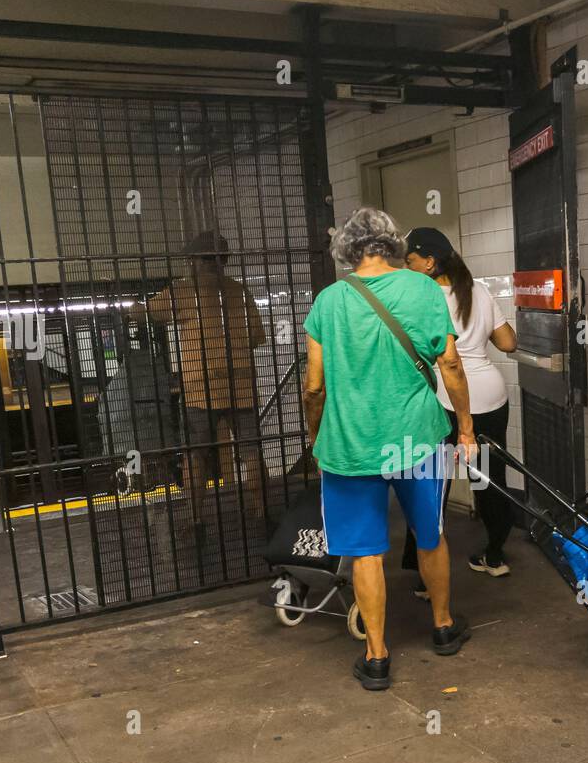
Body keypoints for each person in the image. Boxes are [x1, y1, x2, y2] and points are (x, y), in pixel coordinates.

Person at [302, 208, 478, 690]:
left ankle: (376, 656)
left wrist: (316, 434)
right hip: (417, 438)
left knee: (365, 553)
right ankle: (442, 628)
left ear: (348, 250)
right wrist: (465, 428)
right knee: (430, 535)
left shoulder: (328, 302)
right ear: (392, 244)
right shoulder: (423, 289)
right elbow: (451, 366)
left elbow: (314, 387)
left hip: (350, 444)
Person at [400, 227, 518, 590]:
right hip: (491, 395)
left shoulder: (421, 297)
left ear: (430, 262)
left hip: (445, 399)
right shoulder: (478, 291)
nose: (405, 267)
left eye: (410, 260)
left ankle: (423, 576)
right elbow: (509, 343)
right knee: (488, 477)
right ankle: (494, 555)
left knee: (428, 483)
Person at [146, 230, 268, 530]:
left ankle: (196, 516)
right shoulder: (240, 291)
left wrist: (127, 309)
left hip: (201, 389)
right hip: (242, 384)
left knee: (196, 454)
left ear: (197, 261)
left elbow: (148, 313)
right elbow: (256, 336)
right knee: (252, 450)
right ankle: (262, 511)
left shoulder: (184, 291)